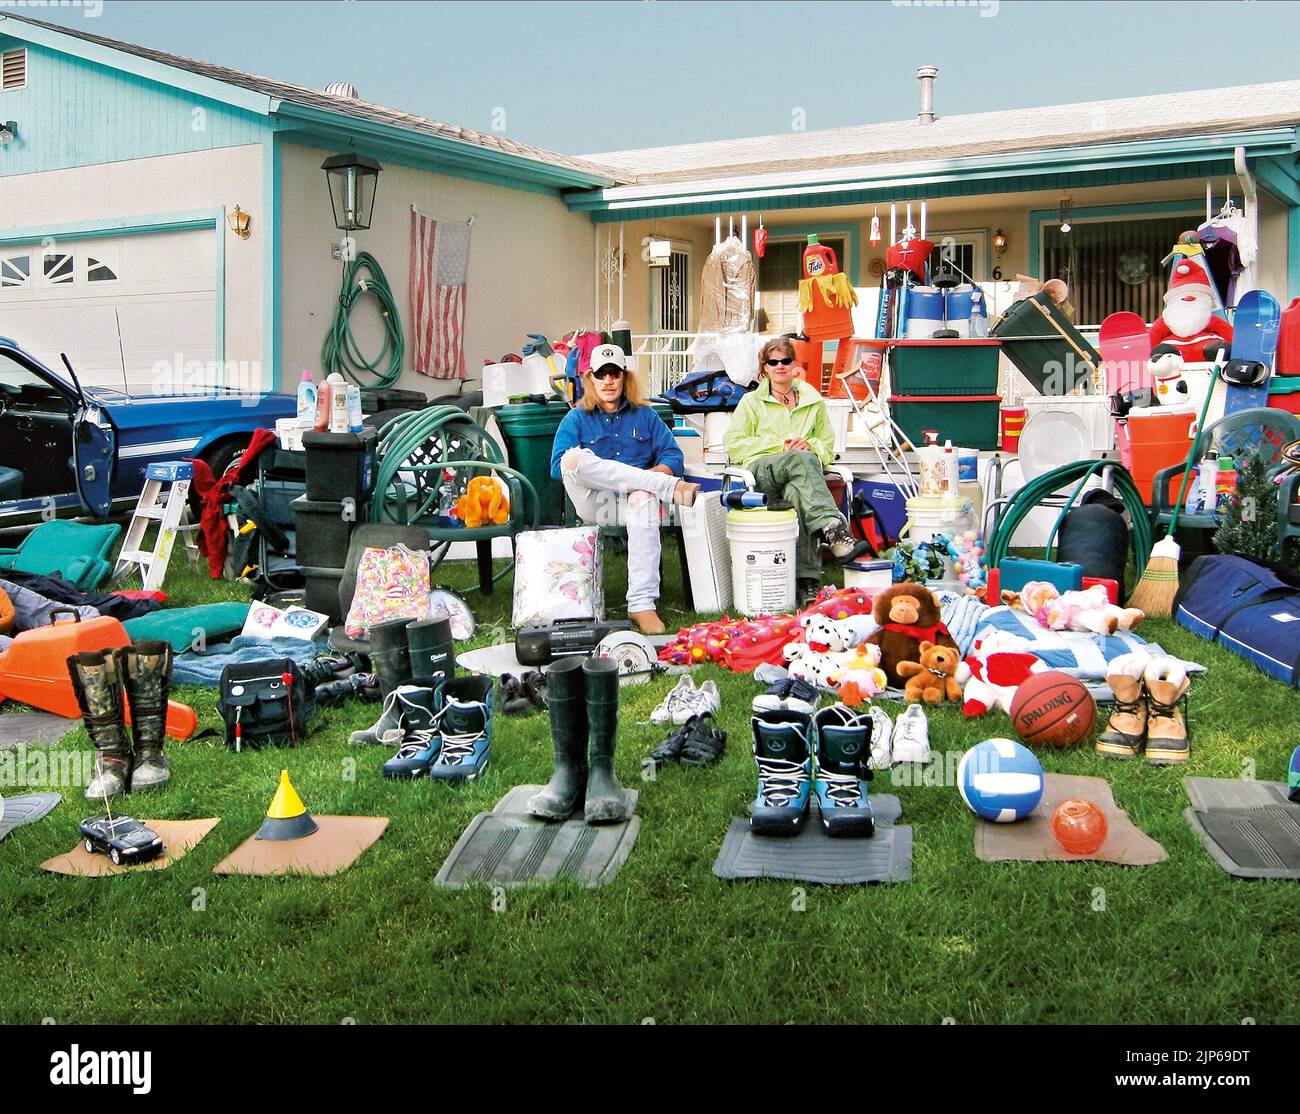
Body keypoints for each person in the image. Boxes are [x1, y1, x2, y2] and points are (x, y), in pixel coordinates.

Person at [550, 342, 699, 635]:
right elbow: (558, 468)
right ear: (590, 378)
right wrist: (652, 479)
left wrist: (657, 472)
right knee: (573, 457)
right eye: (601, 374)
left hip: (631, 503)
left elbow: (673, 456)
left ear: (624, 377)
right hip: (594, 501)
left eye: (614, 373)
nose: (608, 381)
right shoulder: (576, 418)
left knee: (643, 497)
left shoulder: (645, 415)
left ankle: (642, 604)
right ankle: (662, 486)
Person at [724, 336, 866, 605]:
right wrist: (781, 445)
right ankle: (832, 528)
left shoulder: (813, 401)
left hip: (800, 476)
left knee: (798, 490)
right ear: (764, 367)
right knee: (798, 459)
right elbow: (735, 445)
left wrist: (809, 445)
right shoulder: (751, 402)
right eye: (773, 362)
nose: (779, 366)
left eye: (785, 360)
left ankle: (807, 584)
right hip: (761, 472)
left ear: (794, 364)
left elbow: (826, 446)